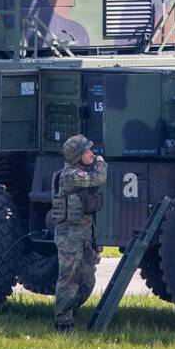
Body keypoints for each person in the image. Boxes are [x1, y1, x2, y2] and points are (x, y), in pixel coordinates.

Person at [51, 135, 107, 332]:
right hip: (70, 237)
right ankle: (63, 321)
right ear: (76, 156)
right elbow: (98, 178)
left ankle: (71, 310)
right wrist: (101, 162)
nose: (92, 154)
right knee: (69, 279)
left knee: (87, 280)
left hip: (83, 236)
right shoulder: (70, 175)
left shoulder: (79, 172)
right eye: (87, 151)